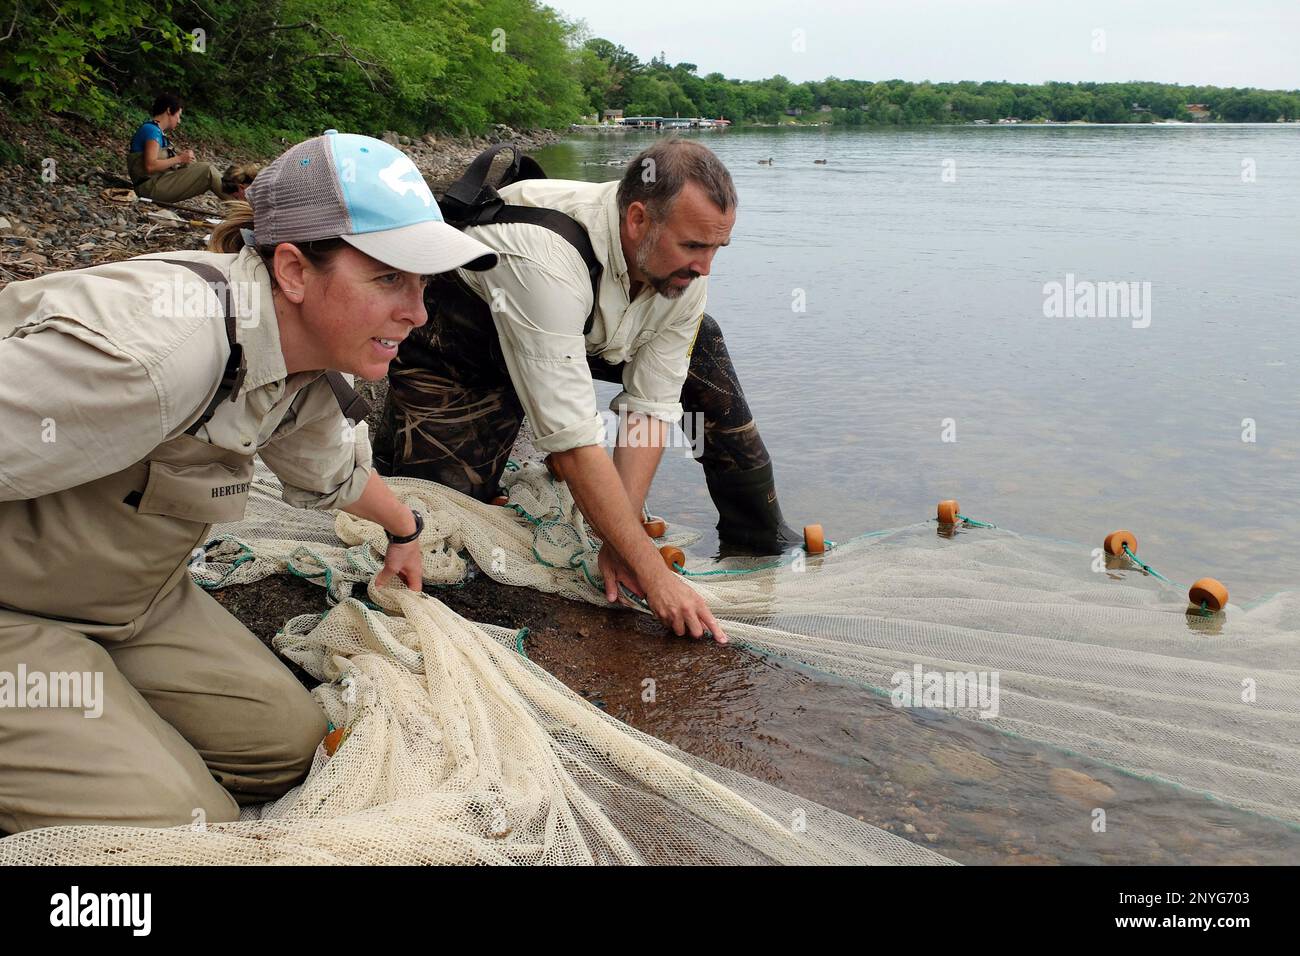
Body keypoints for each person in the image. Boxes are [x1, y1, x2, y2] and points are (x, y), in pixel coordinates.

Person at [0, 129, 497, 834]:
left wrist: (405, 529)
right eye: (389, 278)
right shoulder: (150, 359)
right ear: (293, 270)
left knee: (285, 748)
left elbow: (334, 475)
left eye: (423, 285)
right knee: (177, 823)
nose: (417, 313)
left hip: (134, 606)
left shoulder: (300, 358)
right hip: (14, 615)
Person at [374, 139, 799, 642]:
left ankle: (756, 535)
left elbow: (650, 408)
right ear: (639, 220)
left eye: (716, 248)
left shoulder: (684, 266)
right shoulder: (545, 257)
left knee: (702, 346)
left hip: (574, 332)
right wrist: (653, 574)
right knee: (439, 516)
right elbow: (574, 443)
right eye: (693, 247)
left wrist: (624, 541)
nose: (706, 266)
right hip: (460, 348)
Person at [126, 92, 243, 204]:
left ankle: (242, 203)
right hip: (150, 188)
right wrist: (179, 159)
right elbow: (150, 166)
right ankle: (241, 208)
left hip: (157, 184)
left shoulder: (156, 131)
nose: (179, 121)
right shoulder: (151, 130)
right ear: (169, 110)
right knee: (207, 170)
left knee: (201, 168)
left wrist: (185, 161)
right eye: (179, 115)